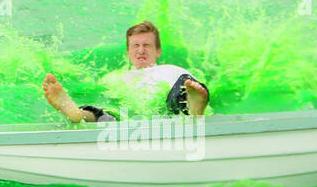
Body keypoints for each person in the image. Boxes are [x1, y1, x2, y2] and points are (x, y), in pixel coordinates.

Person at [42, 20, 209, 124]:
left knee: (183, 89)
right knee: (106, 114)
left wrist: (193, 92)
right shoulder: (114, 78)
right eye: (136, 46)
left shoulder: (171, 70)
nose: (141, 50)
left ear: (158, 51)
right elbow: (98, 93)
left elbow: (193, 85)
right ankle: (77, 113)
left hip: (166, 110)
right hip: (129, 117)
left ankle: (194, 109)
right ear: (128, 52)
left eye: (147, 45)